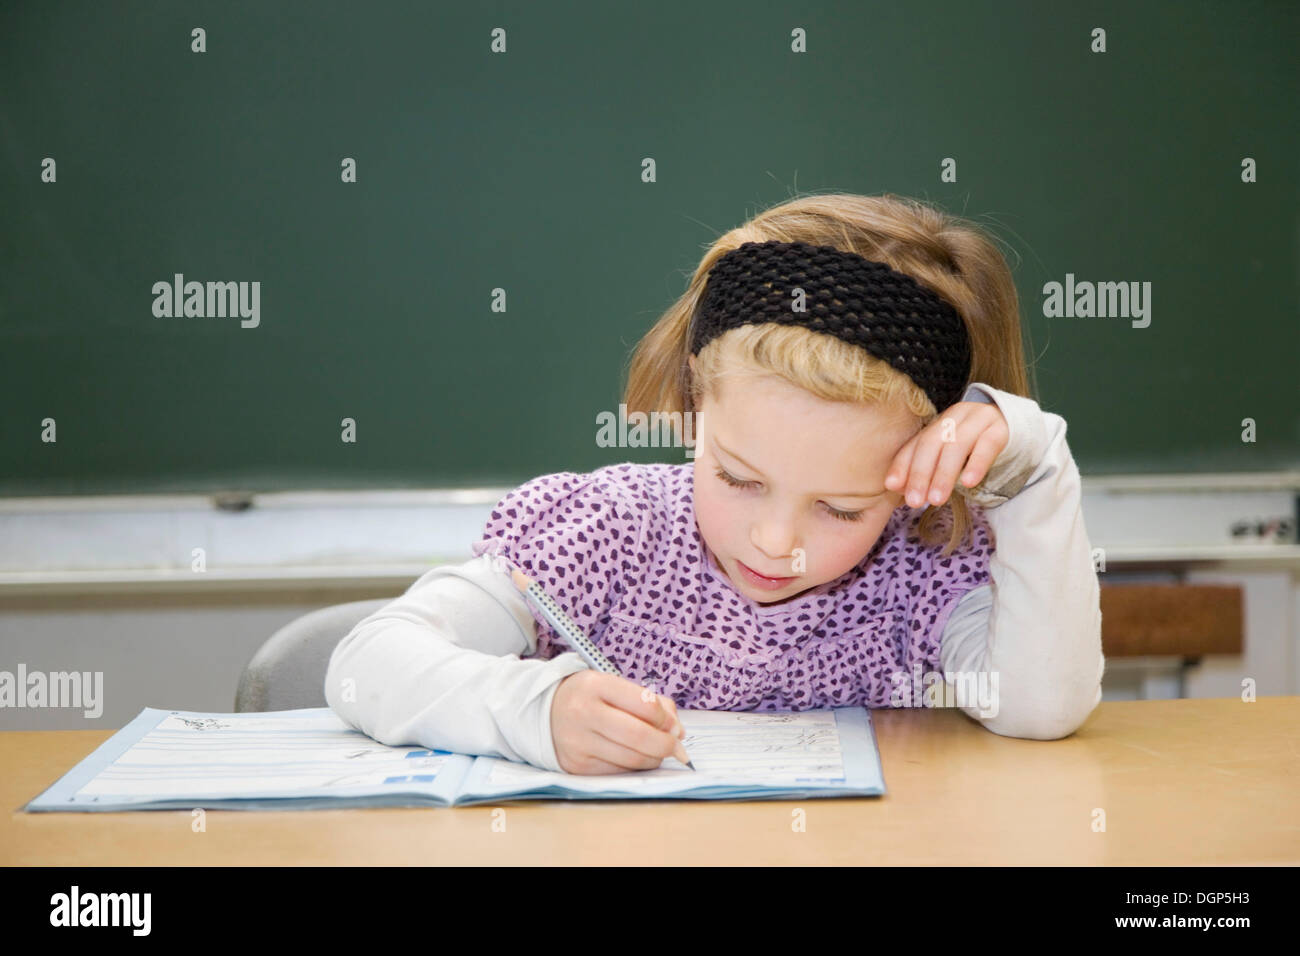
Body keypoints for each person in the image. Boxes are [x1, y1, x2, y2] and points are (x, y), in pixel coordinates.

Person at [325, 192, 1105, 775]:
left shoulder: (924, 565)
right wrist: (535, 711)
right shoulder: (611, 532)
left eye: (840, 508)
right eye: (737, 477)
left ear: (922, 478)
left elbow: (1039, 709)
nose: (776, 542)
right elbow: (370, 663)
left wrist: (1037, 470)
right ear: (696, 403)